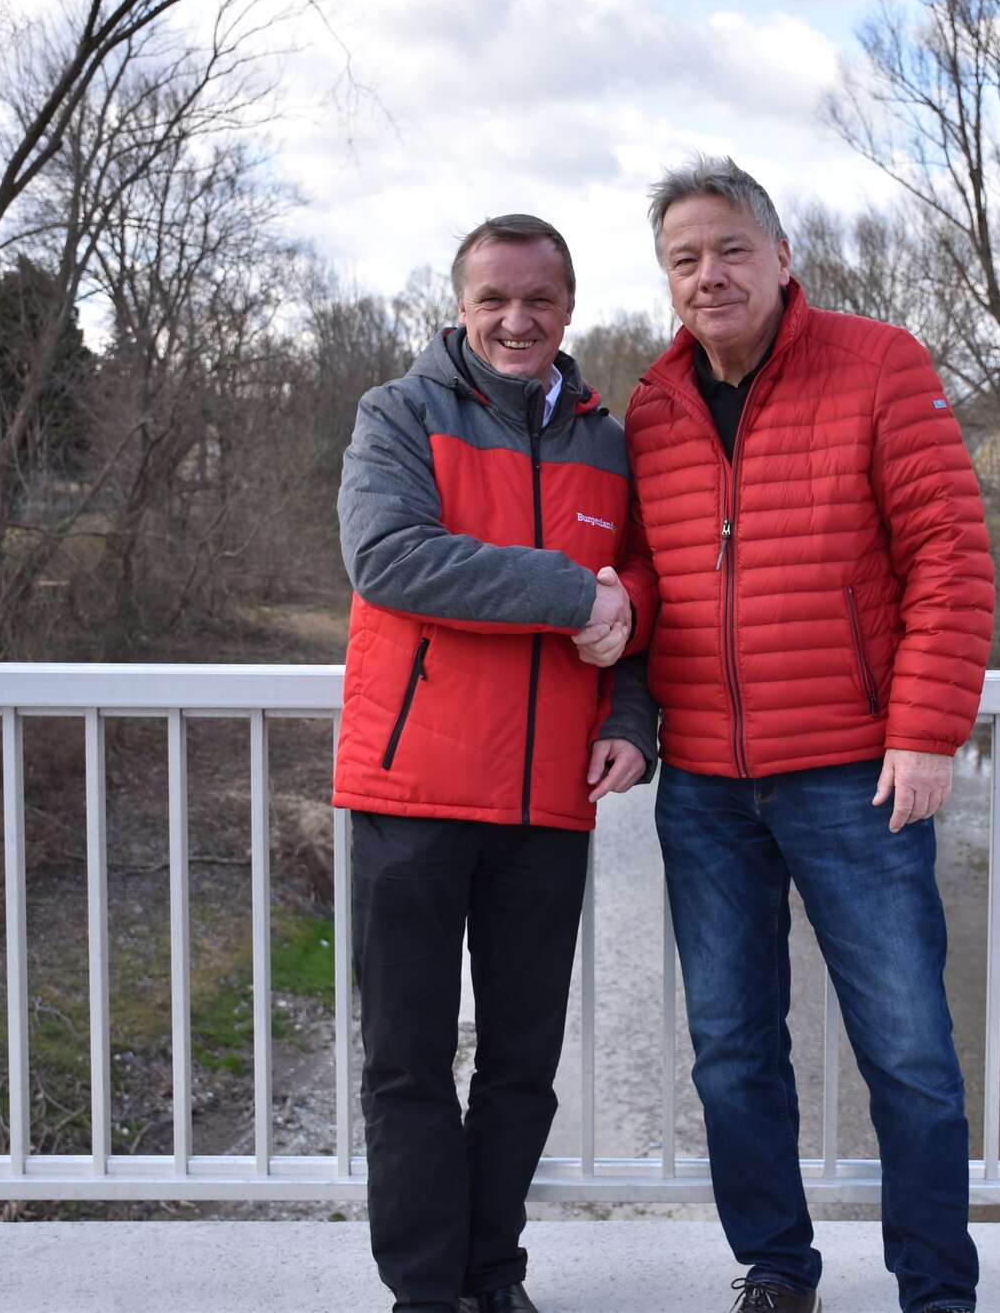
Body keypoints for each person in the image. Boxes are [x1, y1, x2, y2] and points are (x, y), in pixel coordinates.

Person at [618, 156, 995, 1313]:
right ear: (667, 280)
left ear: (782, 258)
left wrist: (925, 728)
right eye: (685, 257)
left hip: (854, 776)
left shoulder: (879, 364)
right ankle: (777, 1268)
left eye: (731, 248)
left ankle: (934, 1290)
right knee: (731, 1051)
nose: (709, 273)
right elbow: (636, 579)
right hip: (706, 789)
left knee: (909, 1056)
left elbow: (949, 556)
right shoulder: (651, 404)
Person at [334, 213, 653, 1313]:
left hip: (546, 804)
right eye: (494, 300)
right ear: (460, 306)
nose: (517, 320)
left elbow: (644, 594)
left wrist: (632, 711)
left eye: (539, 300)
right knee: (408, 1065)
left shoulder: (609, 441)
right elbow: (390, 558)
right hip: (411, 791)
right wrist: (574, 592)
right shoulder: (397, 413)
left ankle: (490, 1274)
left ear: (569, 308)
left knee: (519, 1068)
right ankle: (425, 1293)